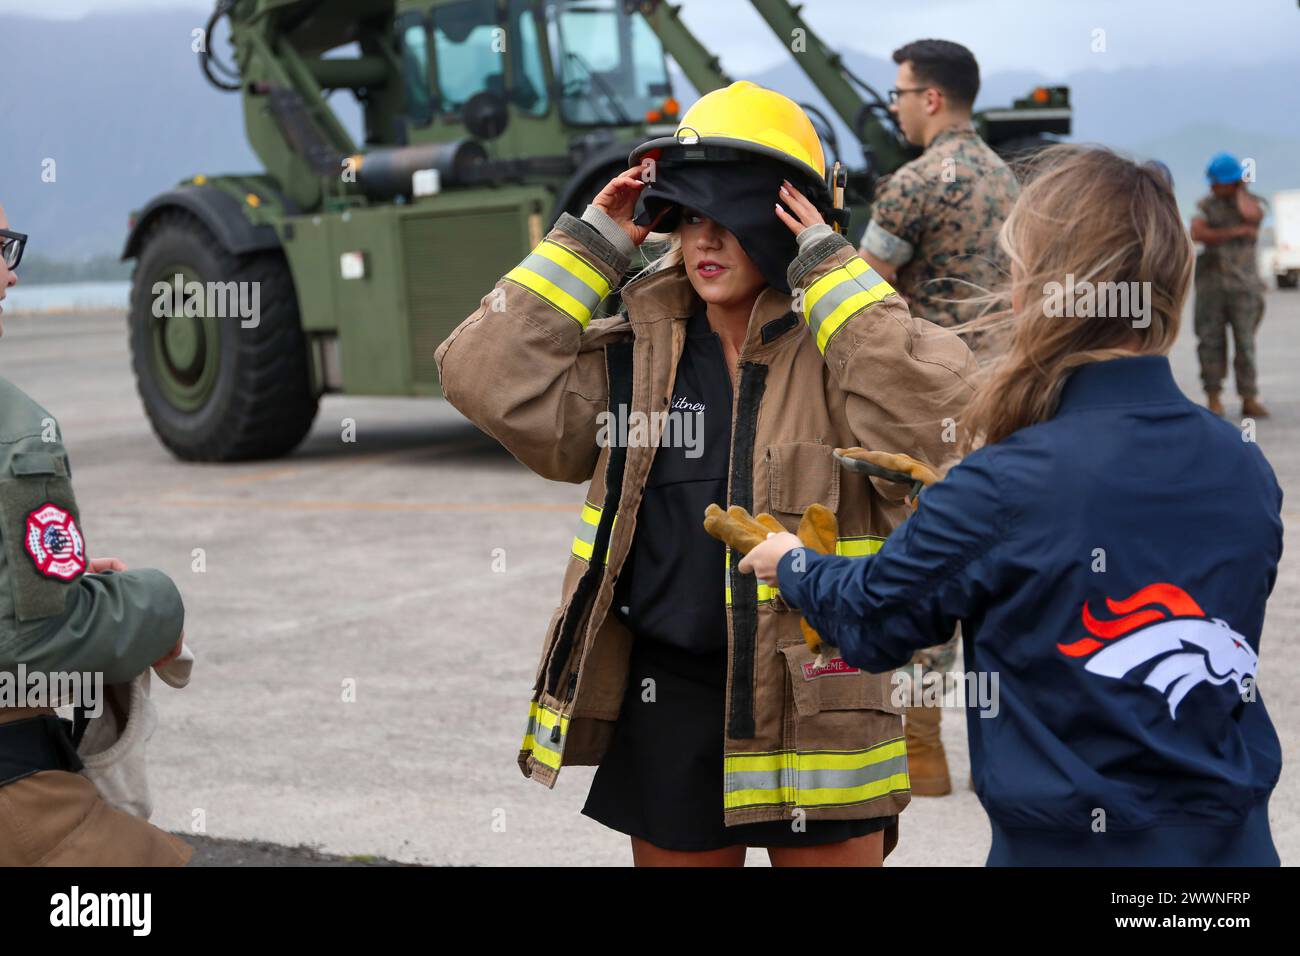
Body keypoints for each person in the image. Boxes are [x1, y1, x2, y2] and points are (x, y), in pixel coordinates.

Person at [436, 82, 977, 866]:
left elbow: (944, 431)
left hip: (821, 697)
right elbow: (482, 379)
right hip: (670, 696)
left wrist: (834, 273)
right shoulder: (635, 357)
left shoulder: (844, 352)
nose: (706, 242)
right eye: (689, 217)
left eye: (730, 220)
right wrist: (589, 245)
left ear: (790, 224)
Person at [740, 146, 1283, 866]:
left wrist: (795, 564)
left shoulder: (1002, 485)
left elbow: (875, 621)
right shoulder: (1243, 465)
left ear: (1037, 292)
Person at [0, 204, 191, 866]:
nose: (11, 275)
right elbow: (29, 638)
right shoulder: (20, 433)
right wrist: (151, 605)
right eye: (0, 247)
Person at [857, 38, 1021, 794]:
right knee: (994, 560)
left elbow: (862, 294)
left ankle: (919, 746)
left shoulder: (912, 184)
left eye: (899, 93)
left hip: (930, 402)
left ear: (930, 99)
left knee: (923, 558)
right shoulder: (1013, 182)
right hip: (1008, 399)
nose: (893, 105)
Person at [1190, 151, 1269, 418]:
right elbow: (1197, 232)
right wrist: (1233, 232)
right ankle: (1214, 397)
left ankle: (1249, 397)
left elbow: (1252, 215)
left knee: (1245, 345)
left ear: (1233, 182)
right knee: (1210, 342)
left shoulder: (1252, 203)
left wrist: (1241, 189)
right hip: (1211, 287)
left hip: (1244, 287)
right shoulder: (1205, 205)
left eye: (1218, 180)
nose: (1212, 185)